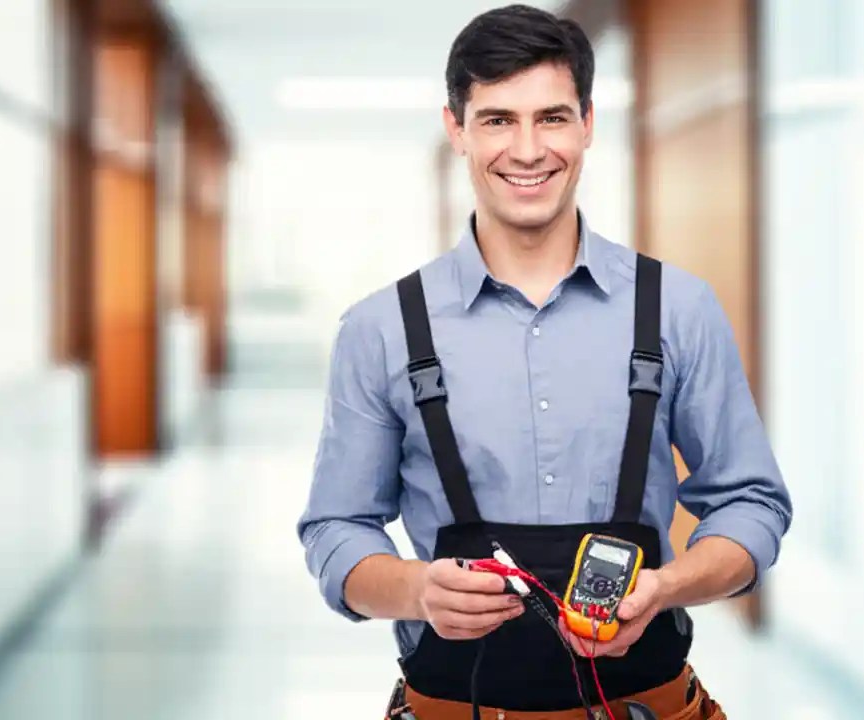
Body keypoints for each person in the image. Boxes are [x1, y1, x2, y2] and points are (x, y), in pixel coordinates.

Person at [297, 5, 792, 719]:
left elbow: (752, 503)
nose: (528, 150)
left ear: (588, 123)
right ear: (456, 130)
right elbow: (336, 527)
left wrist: (669, 585)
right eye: (498, 119)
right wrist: (417, 591)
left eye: (552, 118)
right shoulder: (380, 330)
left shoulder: (678, 308)